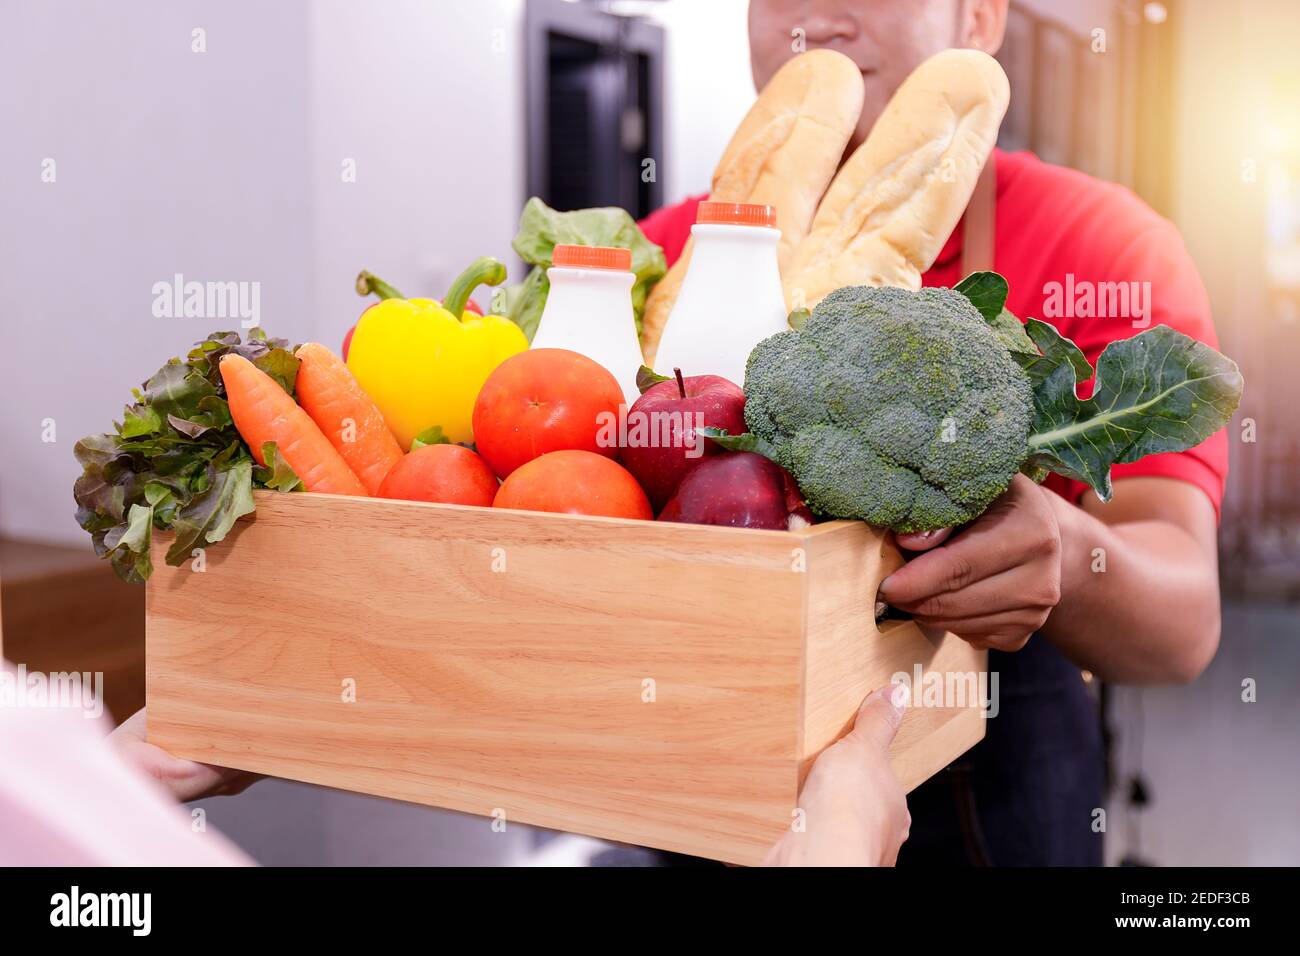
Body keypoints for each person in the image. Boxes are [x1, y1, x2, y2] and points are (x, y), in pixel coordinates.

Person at [639, 0, 1227, 866]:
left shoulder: (1101, 244)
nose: (818, 18)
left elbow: (1185, 624)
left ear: (980, 22)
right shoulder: (662, 261)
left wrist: (1060, 550)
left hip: (1000, 775)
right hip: (718, 768)